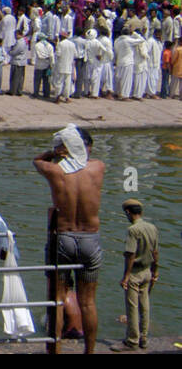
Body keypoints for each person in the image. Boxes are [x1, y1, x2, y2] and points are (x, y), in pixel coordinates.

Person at [34, 125, 104, 354]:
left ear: (64, 149)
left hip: (63, 238)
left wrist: (54, 153)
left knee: (57, 300)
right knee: (89, 302)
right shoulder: (98, 168)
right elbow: (86, 158)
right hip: (90, 239)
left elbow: (36, 160)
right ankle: (90, 352)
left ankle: (55, 351)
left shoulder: (55, 171)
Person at [111, 198, 158, 352]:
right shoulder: (152, 228)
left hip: (136, 272)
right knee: (145, 306)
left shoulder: (133, 230)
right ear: (141, 212)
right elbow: (155, 252)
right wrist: (155, 271)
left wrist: (126, 276)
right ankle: (144, 338)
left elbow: (130, 254)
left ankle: (132, 341)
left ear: (128, 212)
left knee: (132, 307)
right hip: (147, 271)